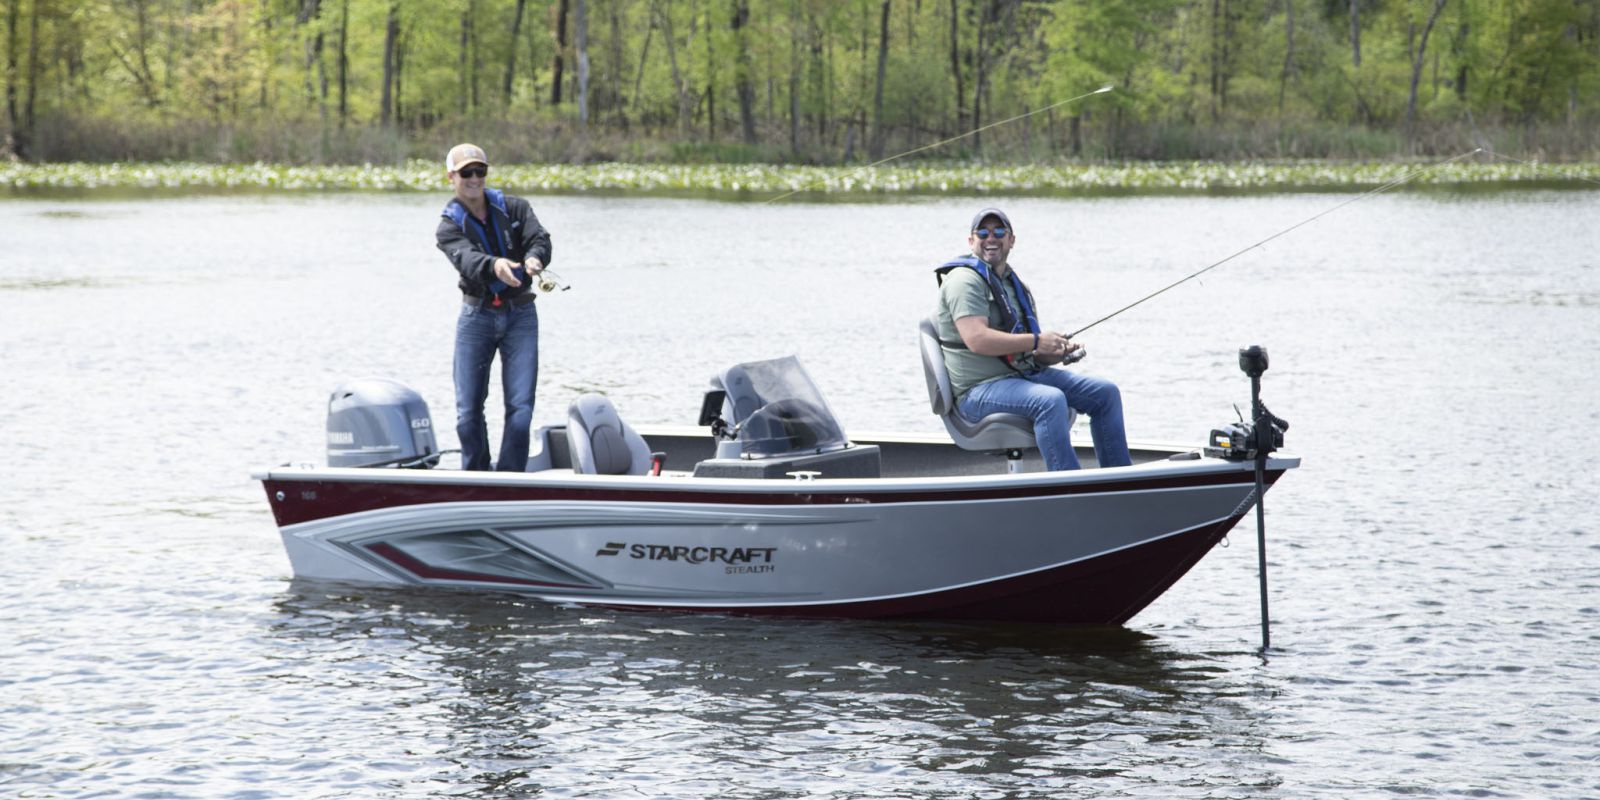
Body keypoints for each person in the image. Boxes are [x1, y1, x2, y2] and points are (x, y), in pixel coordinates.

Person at [932, 208, 1131, 470]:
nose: (991, 237)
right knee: (1049, 401)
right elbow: (977, 339)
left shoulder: (1012, 284)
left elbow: (1025, 350)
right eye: (983, 232)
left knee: (1105, 393)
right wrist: (1037, 341)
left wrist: (1054, 352)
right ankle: (1068, 487)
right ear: (971, 241)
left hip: (1021, 377)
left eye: (999, 232)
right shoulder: (964, 281)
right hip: (977, 390)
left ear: (1011, 240)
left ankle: (1118, 481)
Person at [435, 143, 552, 471]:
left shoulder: (516, 208)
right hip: (477, 317)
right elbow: (467, 259)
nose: (474, 178)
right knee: (467, 413)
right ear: (451, 177)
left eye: (480, 171)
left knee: (520, 410)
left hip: (521, 315)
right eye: (466, 173)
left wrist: (534, 258)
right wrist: (496, 266)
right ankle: (476, 477)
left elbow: (539, 239)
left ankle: (511, 478)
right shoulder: (448, 226)